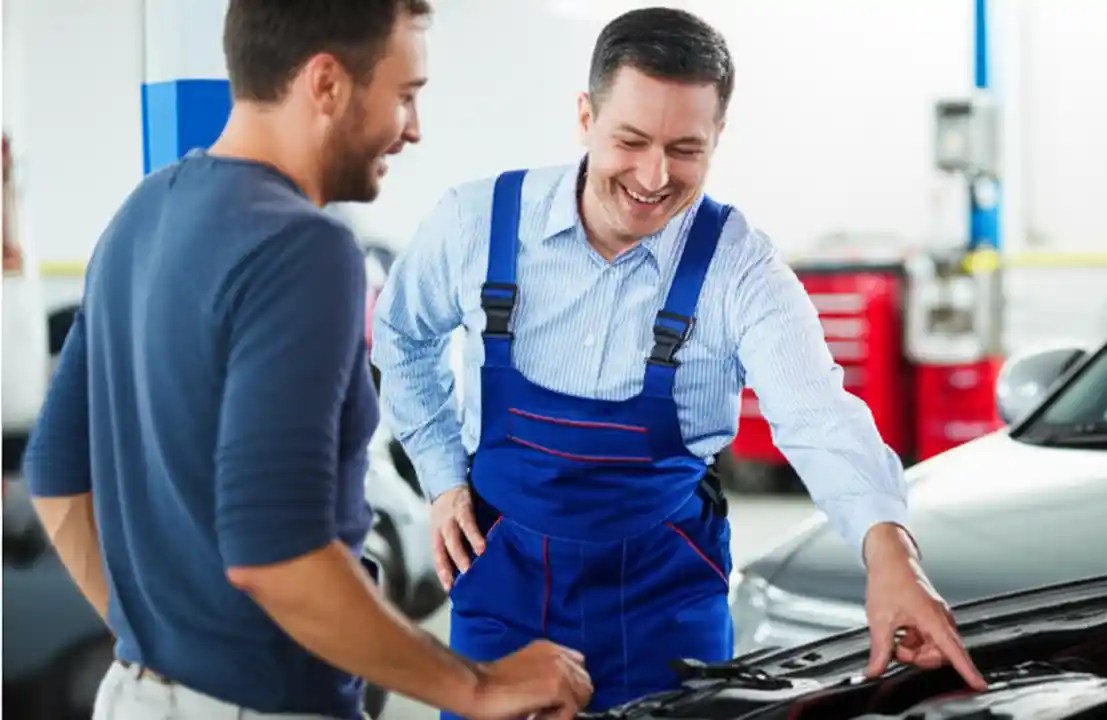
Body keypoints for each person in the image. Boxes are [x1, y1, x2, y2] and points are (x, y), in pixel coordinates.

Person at [372, 6, 989, 715]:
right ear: (585, 115)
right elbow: (403, 338)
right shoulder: (475, 223)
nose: (654, 175)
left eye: (686, 148)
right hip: (501, 579)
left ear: (718, 137)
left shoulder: (739, 267)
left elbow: (816, 414)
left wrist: (890, 553)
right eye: (630, 140)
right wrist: (444, 475)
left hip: (664, 600)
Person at [21, 2, 591, 719]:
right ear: (326, 84)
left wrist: (162, 644)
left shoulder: (143, 212)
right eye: (406, 96)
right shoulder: (305, 248)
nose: (415, 128)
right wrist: (478, 687)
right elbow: (277, 552)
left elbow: (56, 476)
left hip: (135, 694)